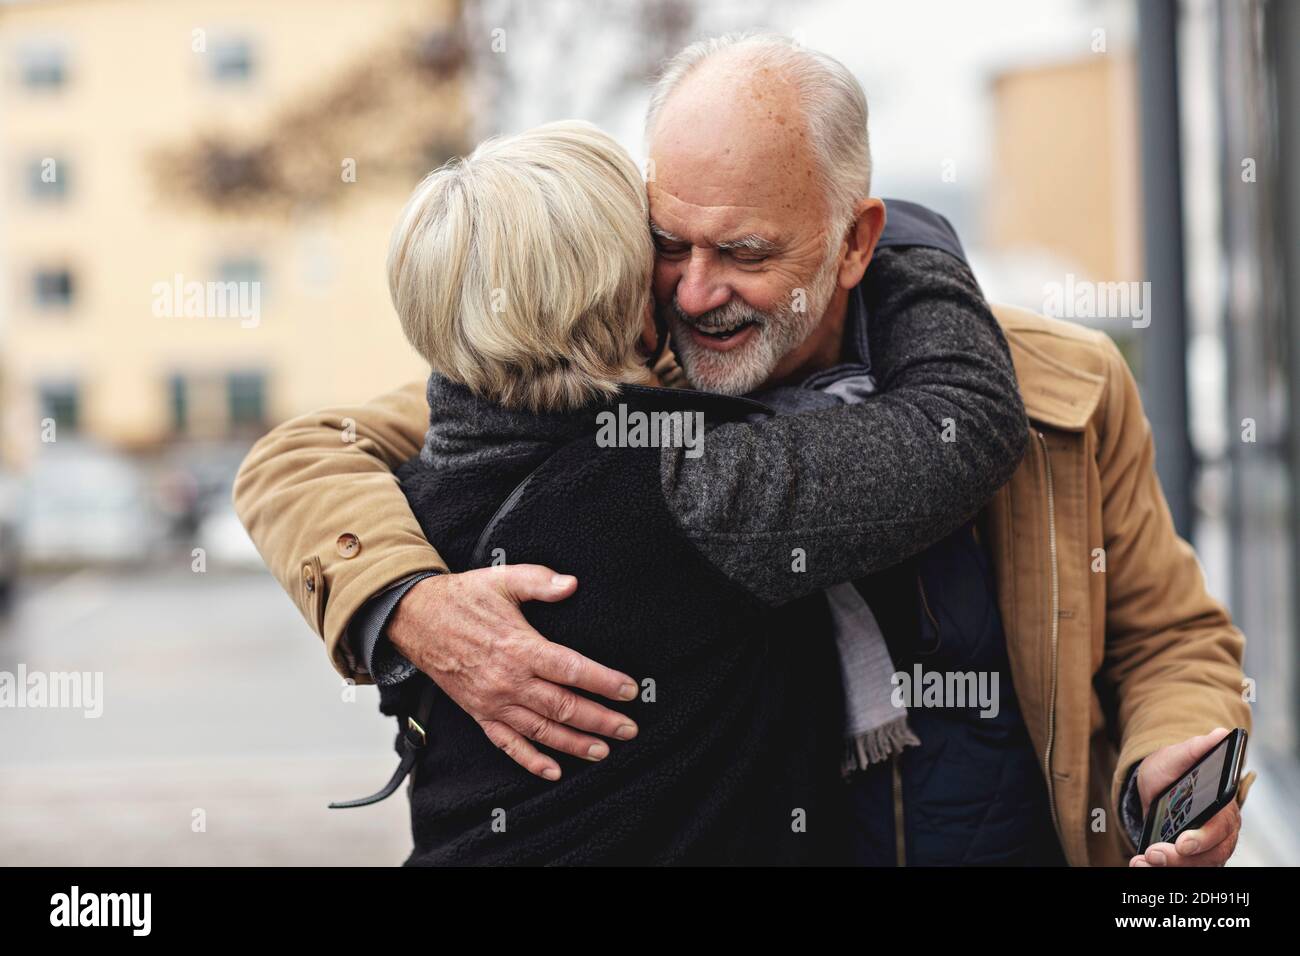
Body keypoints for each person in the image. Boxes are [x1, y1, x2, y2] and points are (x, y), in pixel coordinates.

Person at [235, 34, 1252, 866]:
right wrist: (404, 602)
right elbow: (302, 454)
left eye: (746, 253)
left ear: (857, 240)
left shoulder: (1057, 385)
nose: (693, 290)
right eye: (668, 243)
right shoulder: (602, 387)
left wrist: (1165, 760)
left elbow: (1169, 637)